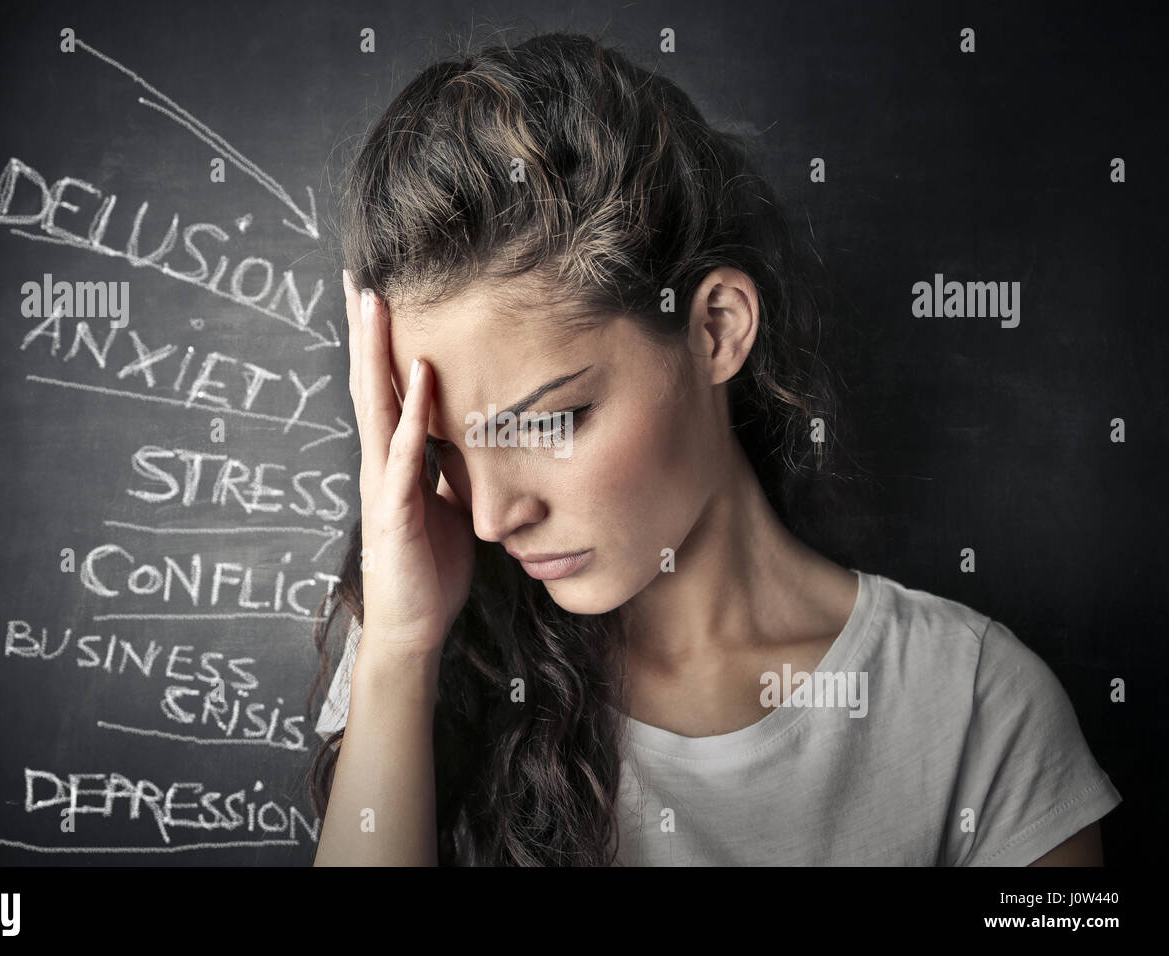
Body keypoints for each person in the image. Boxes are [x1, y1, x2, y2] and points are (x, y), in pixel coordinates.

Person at [305, 32, 1121, 866]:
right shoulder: (425, 669)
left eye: (548, 422)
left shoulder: (974, 706)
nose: (491, 516)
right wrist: (402, 648)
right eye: (444, 450)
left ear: (715, 328)